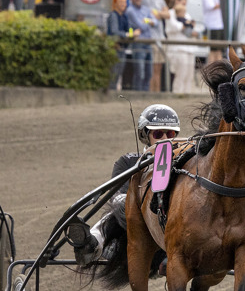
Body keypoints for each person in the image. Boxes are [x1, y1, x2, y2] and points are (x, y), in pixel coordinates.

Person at [71, 104, 181, 267]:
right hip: (134, 223)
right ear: (145, 134)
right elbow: (117, 197)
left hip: (172, 222)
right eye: (158, 134)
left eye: (170, 134)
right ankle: (91, 245)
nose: (165, 139)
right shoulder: (128, 162)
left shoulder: (184, 161)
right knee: (117, 209)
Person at [165, 0, 201, 93]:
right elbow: (175, 27)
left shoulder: (186, 14)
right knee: (180, 74)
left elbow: (190, 28)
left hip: (189, 48)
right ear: (177, 1)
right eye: (183, 3)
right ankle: (178, 95)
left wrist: (189, 28)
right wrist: (186, 26)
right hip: (178, 48)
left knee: (189, 75)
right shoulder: (170, 13)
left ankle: (187, 94)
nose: (184, 6)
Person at [124, 0, 154, 92]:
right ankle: (138, 94)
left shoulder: (146, 9)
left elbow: (156, 22)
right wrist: (148, 22)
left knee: (149, 72)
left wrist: (147, 22)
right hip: (138, 44)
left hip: (148, 43)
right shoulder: (130, 10)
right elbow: (140, 25)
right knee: (139, 72)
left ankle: (146, 95)